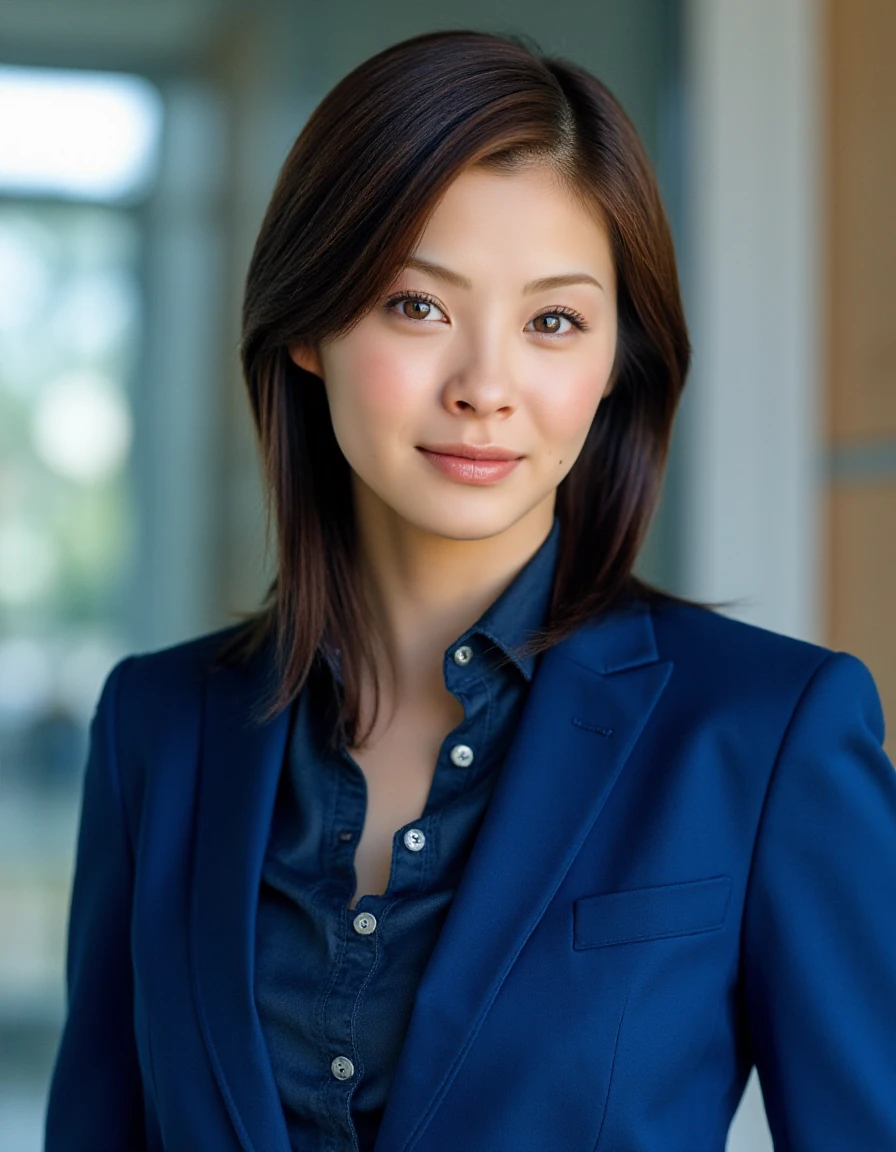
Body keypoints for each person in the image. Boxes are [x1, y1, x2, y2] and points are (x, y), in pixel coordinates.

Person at [45, 27, 896, 1152]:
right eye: (417, 305)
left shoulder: (763, 734)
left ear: (613, 363)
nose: (485, 387)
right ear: (310, 325)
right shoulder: (156, 728)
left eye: (553, 322)